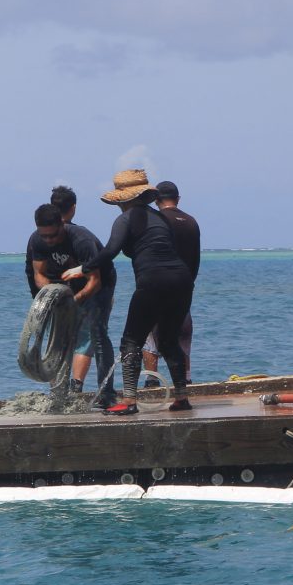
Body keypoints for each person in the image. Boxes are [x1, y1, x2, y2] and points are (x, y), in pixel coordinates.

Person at [65, 169, 194, 416]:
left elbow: (109, 252)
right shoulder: (160, 218)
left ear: (122, 199)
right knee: (167, 340)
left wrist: (82, 268)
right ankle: (181, 398)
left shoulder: (124, 220)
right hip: (182, 281)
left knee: (130, 342)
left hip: (152, 281)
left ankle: (130, 401)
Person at [26, 204, 106, 399]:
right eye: (44, 236)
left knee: (86, 337)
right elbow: (39, 274)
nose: (48, 240)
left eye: (52, 236)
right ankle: (57, 391)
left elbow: (95, 281)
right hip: (62, 289)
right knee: (58, 338)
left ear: (62, 224)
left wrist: (75, 301)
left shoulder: (81, 240)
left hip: (96, 286)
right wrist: (53, 296)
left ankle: (76, 387)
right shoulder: (38, 240)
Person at [51, 184, 117, 406]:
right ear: (74, 208)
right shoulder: (76, 235)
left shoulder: (78, 236)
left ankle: (80, 387)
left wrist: (79, 301)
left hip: (97, 287)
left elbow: (96, 280)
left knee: (92, 336)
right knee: (68, 338)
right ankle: (63, 390)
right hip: (77, 287)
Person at [141, 180, 199, 385]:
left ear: (156, 200)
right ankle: (185, 380)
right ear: (178, 199)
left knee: (150, 337)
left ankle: (152, 380)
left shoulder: (155, 220)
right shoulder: (191, 222)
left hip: (158, 286)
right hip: (184, 288)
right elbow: (195, 260)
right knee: (182, 337)